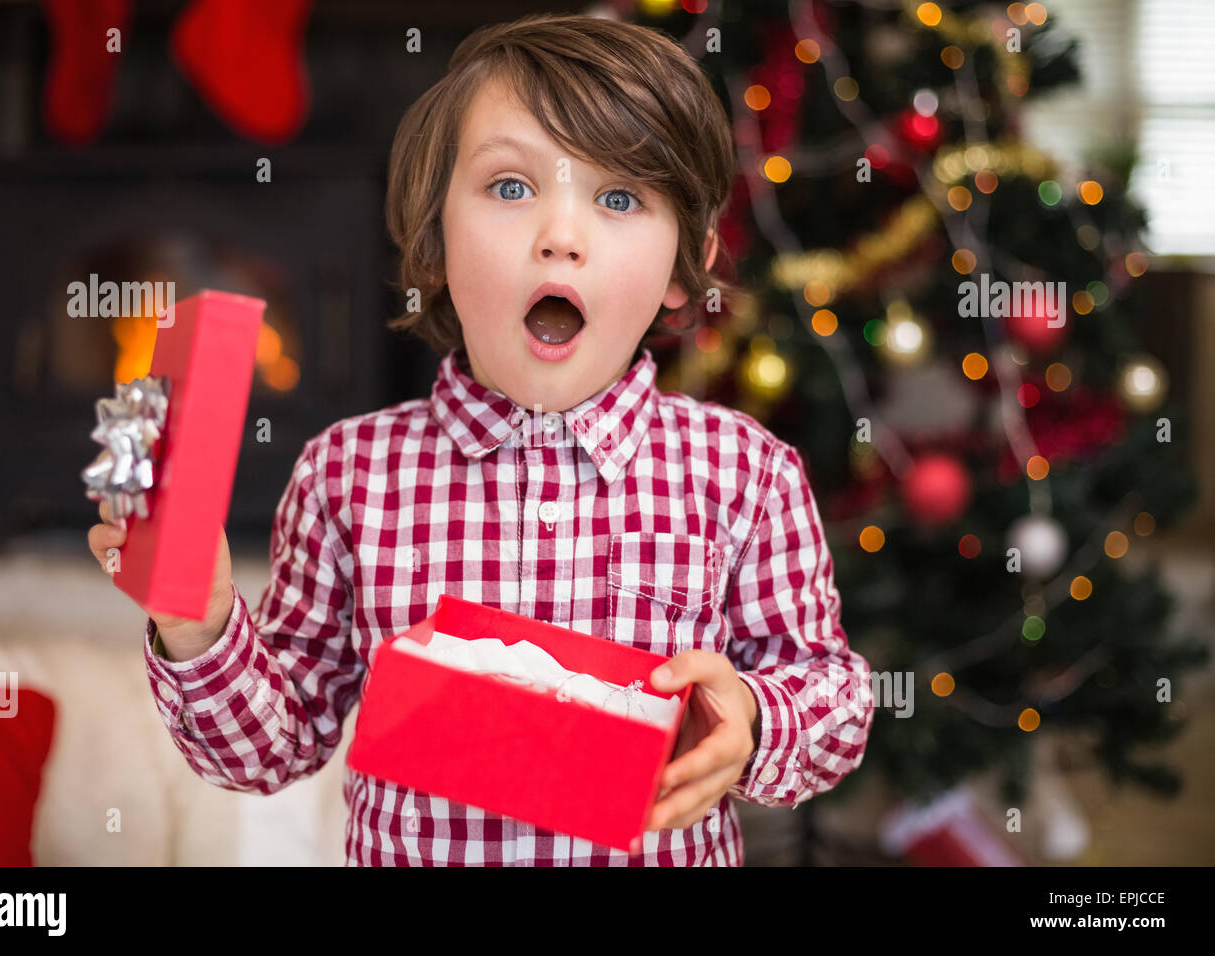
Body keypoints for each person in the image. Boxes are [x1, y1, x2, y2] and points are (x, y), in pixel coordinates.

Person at [89, 12, 875, 866]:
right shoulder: (346, 475)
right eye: (510, 187)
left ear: (685, 267)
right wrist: (200, 629)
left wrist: (754, 724)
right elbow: (270, 750)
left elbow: (832, 702)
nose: (561, 236)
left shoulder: (746, 474)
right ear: (434, 244)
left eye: (619, 198)